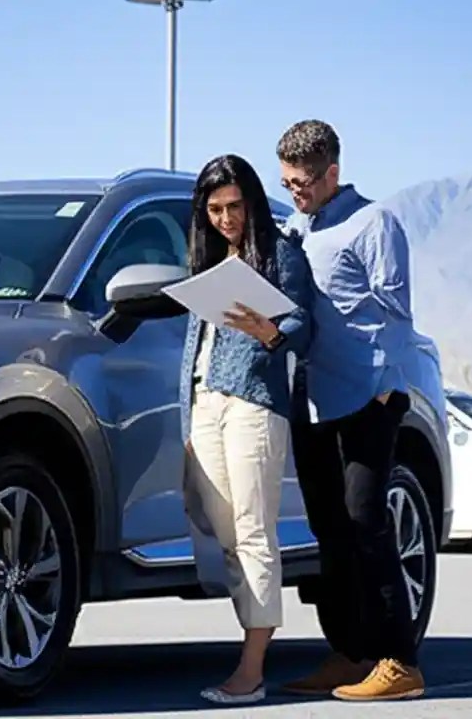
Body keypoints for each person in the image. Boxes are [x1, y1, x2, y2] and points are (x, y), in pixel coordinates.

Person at [273, 119, 426, 701]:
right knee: (328, 531)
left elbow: (395, 311)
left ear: (332, 172)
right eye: (287, 182)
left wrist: (386, 390)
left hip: (366, 398)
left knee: (366, 523)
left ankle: (399, 661)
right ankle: (350, 652)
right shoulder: (295, 229)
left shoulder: (373, 223)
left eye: (303, 182)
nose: (296, 192)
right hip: (311, 397)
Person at [177, 153, 314, 705]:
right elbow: (194, 348)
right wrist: (188, 419)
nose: (226, 218)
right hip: (206, 403)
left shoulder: (281, 253)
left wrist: (270, 332)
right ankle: (251, 650)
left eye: (234, 206)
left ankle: (251, 669)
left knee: (254, 532)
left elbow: (304, 327)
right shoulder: (209, 259)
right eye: (215, 209)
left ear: (251, 202)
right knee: (226, 533)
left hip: (256, 403)